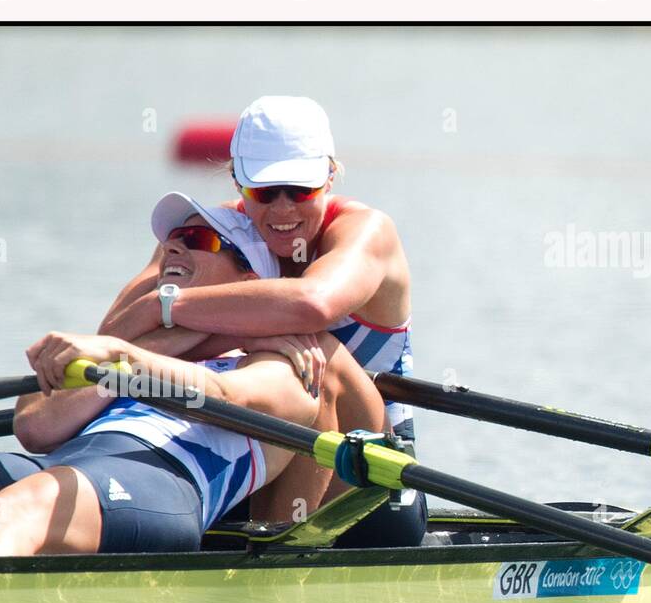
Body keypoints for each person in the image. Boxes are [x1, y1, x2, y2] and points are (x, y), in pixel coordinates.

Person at [0, 200, 387, 558]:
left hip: (166, 485)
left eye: (199, 239)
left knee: (18, 507)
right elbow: (34, 427)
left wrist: (122, 352)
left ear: (251, 275)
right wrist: (145, 344)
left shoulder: (287, 361)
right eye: (172, 239)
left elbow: (226, 397)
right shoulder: (139, 349)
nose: (173, 248)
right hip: (62, 463)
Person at [97, 96, 424, 547]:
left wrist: (170, 309)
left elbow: (312, 304)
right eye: (265, 192)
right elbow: (107, 340)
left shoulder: (364, 231)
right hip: (252, 461)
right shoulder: (212, 231)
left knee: (316, 353)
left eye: (301, 190)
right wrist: (170, 312)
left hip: (370, 485)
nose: (283, 210)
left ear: (330, 174)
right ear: (237, 179)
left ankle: (278, 557)